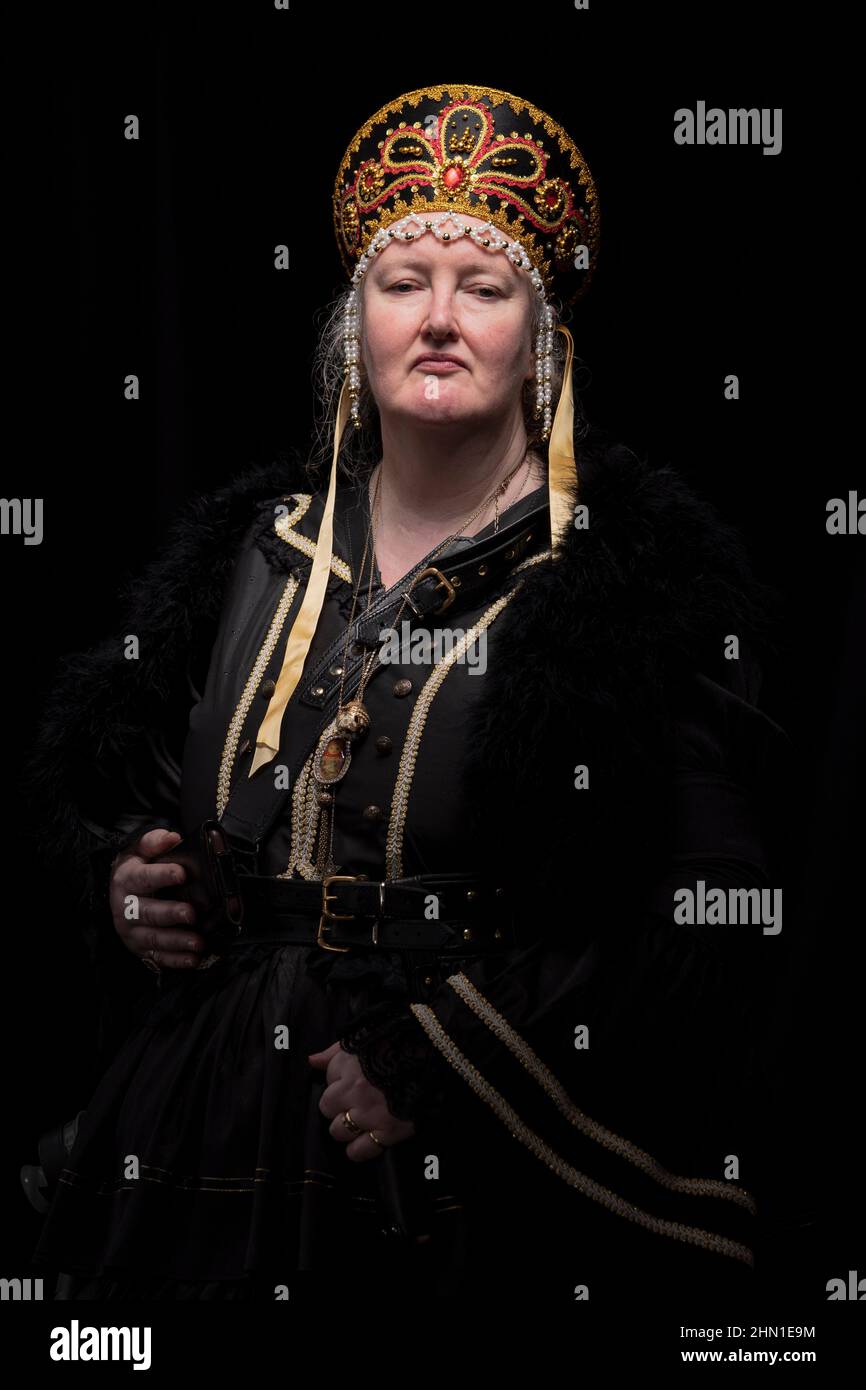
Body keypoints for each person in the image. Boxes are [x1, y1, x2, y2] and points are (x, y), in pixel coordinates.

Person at [26, 82, 789, 1304]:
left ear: (539, 340)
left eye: (481, 288)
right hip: (203, 1104)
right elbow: (117, 800)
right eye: (401, 284)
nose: (437, 318)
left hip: (444, 1147)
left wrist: (435, 1064)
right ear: (353, 327)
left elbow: (710, 909)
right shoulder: (251, 550)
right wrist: (128, 884)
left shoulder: (620, 585)